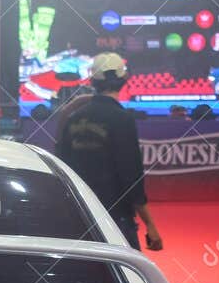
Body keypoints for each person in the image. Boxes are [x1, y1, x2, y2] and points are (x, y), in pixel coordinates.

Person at [49, 52, 164, 252]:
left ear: (93, 80)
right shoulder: (122, 119)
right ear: (123, 79)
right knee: (128, 276)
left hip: (80, 213)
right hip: (116, 216)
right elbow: (131, 176)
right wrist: (151, 225)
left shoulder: (73, 117)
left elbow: (61, 165)